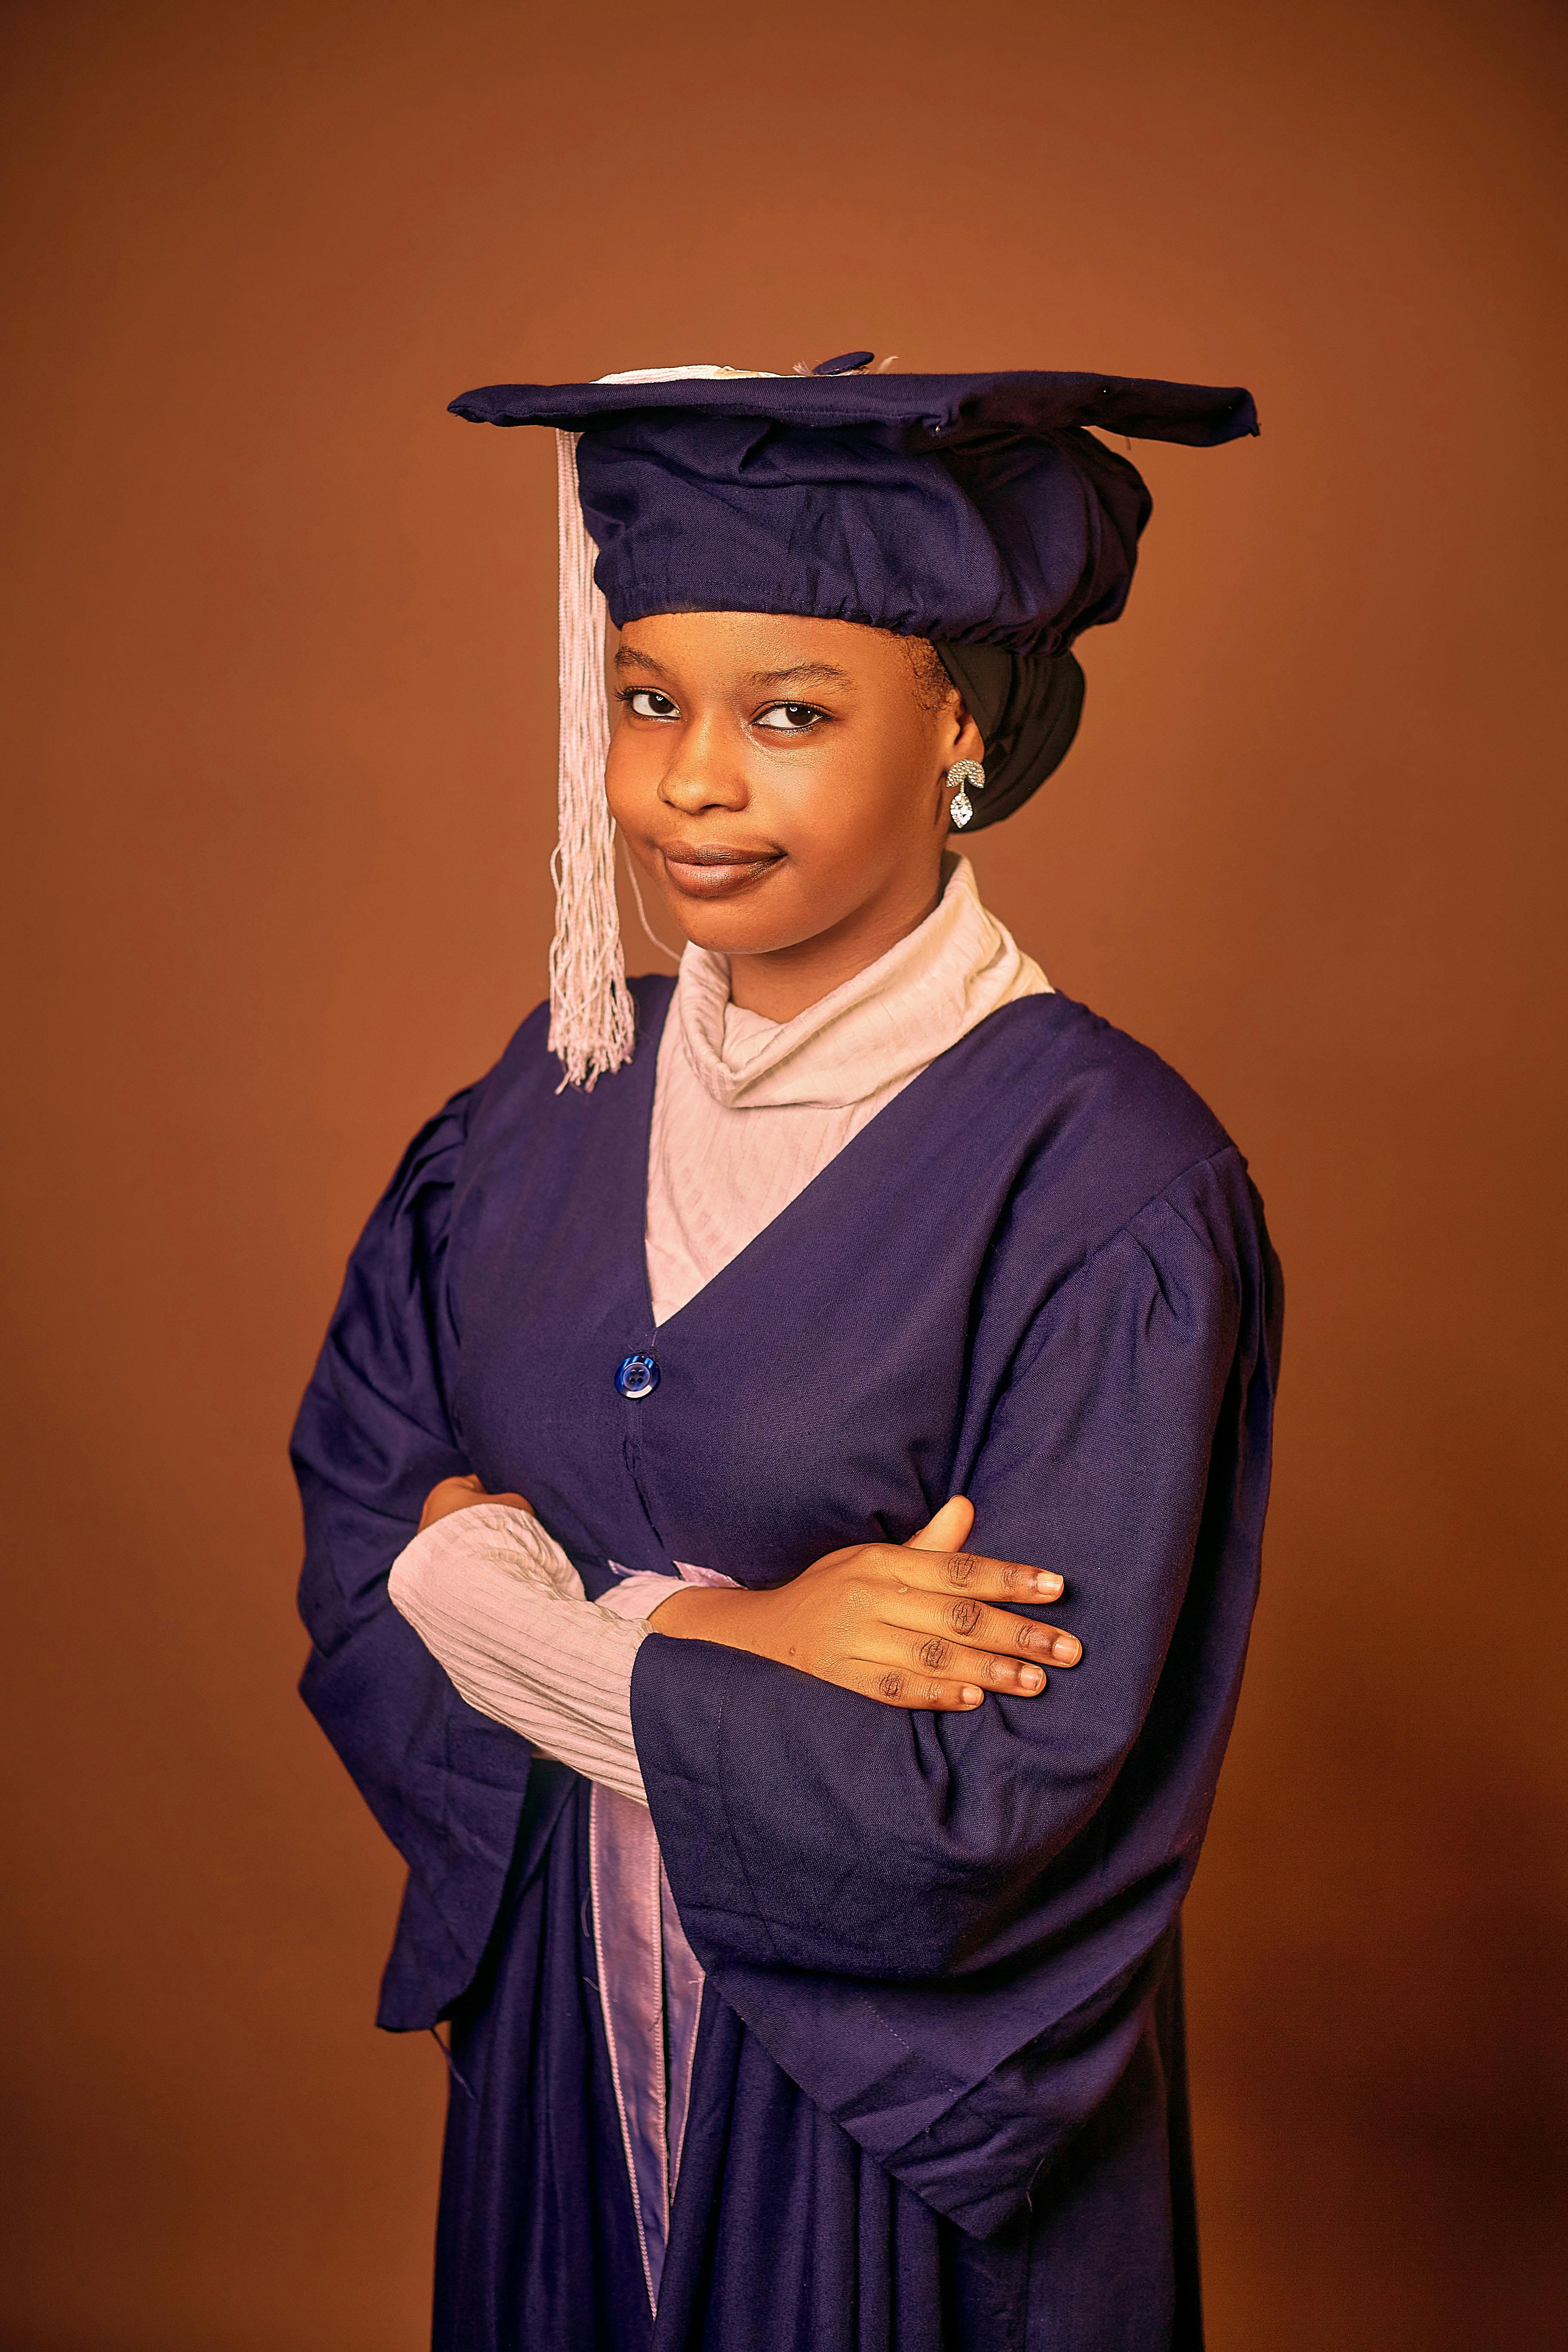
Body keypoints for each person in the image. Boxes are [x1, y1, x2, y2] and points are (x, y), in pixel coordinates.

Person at [292, 355, 1281, 2352]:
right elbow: (363, 1542)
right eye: (649, 698)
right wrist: (743, 1637)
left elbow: (985, 1800)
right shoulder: (541, 1106)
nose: (691, 785)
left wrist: (528, 1602)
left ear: (962, 738)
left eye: (793, 714)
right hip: (570, 2045)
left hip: (885, 2139)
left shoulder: (1109, 1190)